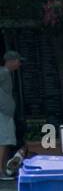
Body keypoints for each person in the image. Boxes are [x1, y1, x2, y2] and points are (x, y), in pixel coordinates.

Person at [0, 49, 22, 180]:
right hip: (2, 113)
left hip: (6, 113)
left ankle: (3, 170)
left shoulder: (6, 73)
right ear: (11, 61)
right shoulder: (3, 72)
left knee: (6, 141)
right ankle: (0, 172)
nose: (19, 64)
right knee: (2, 141)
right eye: (18, 61)